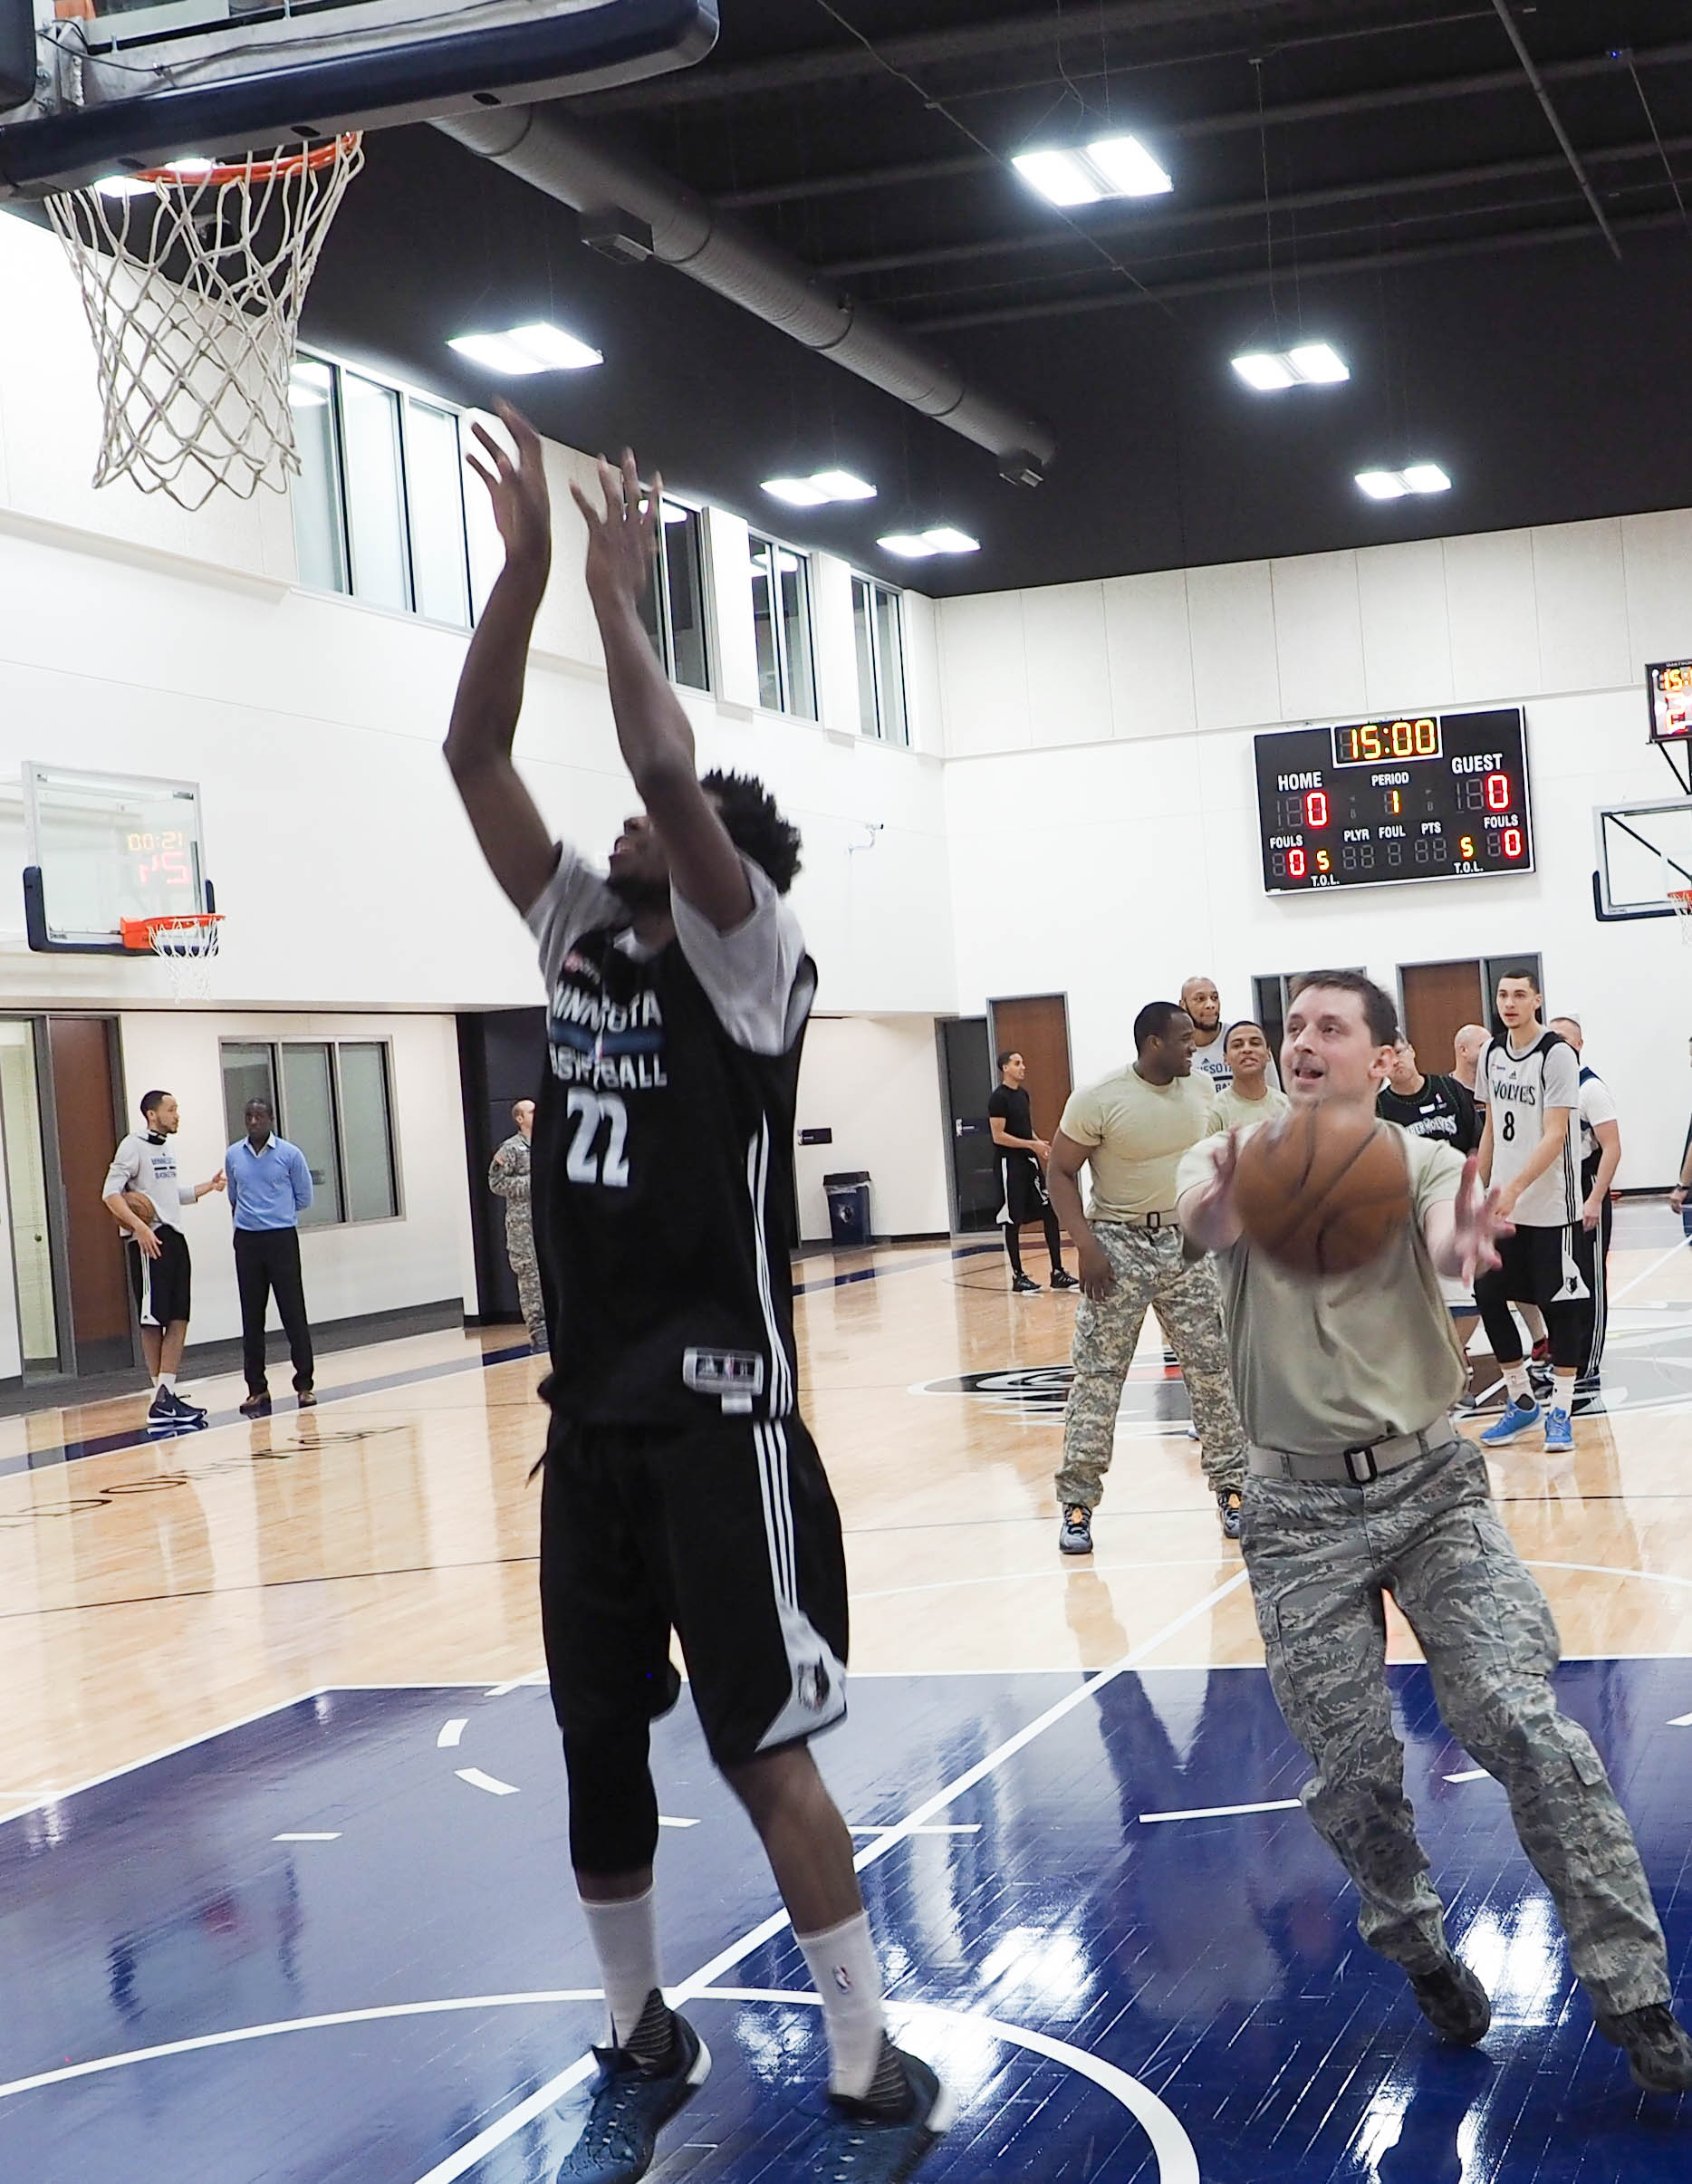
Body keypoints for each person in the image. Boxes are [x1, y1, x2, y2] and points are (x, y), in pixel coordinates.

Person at [443, 405, 947, 2184]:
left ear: (725, 858)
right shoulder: (580, 926)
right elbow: (472, 745)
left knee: (756, 1744)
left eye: (669, 820)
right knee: (600, 1744)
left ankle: (870, 2049)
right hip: (590, 1418)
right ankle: (629, 2018)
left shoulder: (755, 956)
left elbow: (664, 771)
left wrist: (617, 597)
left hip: (723, 1409)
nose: (630, 821)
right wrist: (515, 581)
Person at [1176, 968, 1692, 2095]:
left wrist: (1469, 1234)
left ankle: (1633, 1987)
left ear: (1380, 1058)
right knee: (1352, 1772)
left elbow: (1456, 1237)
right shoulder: (1225, 1153)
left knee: (1517, 1718)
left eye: (1329, 1027)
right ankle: (1416, 1947)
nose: (1303, 1041)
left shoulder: (1417, 1162)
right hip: (1295, 1512)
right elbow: (1200, 1219)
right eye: (1293, 1024)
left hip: (1428, 1487)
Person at [1044, 1000, 1248, 1550]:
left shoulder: (1203, 1092)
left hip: (1186, 1241)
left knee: (1214, 1371)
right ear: (1153, 1043)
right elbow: (1060, 1172)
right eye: (1185, 1038)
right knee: (1100, 1375)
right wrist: (1084, 1245)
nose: (1195, 1047)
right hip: (1117, 1241)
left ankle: (1234, 1491)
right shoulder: (1099, 1097)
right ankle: (1078, 1505)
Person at [1473, 970, 1587, 1454]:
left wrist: (1517, 1186)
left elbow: (1556, 1133)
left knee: (1560, 1306)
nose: (1510, 1002)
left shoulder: (1555, 1053)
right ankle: (1521, 1400)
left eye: (1520, 994)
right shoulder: (1492, 1053)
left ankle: (1560, 1407)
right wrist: (1479, 1187)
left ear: (1537, 999)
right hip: (1505, 1204)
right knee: (1487, 1290)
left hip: (1550, 1208)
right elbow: (1494, 1126)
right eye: (1503, 995)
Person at [101, 1091, 224, 1434]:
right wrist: (139, 1227)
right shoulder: (132, 1145)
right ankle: (162, 1397)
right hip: (149, 1241)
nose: (177, 1114)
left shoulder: (166, 1148)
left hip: (174, 1236)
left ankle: (164, 1395)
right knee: (153, 1320)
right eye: (171, 1109)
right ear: (151, 1114)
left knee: (179, 1316)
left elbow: (168, 1196)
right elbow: (109, 1194)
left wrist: (207, 1187)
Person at [1377, 1039, 1484, 1390]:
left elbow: (1475, 1140)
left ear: (1413, 1051)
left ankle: (1454, 1356)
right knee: (1421, 1295)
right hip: (1410, 1206)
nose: (1397, 1062)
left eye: (1401, 1051)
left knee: (1469, 1293)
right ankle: (1437, 1362)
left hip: (1458, 1196)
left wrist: (1473, 1184)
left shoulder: (1449, 1089)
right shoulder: (1379, 1106)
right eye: (1387, 1057)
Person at [225, 1096, 316, 1418]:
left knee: (293, 1311)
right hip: (247, 1241)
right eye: (248, 1116)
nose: (253, 1122)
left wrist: (277, 1212)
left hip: (281, 1238)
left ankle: (304, 1384)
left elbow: (304, 1196)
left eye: (259, 1116)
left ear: (271, 1119)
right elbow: (234, 1196)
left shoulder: (290, 1155)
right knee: (252, 1316)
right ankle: (256, 1388)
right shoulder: (234, 1154)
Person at [1549, 1016, 1620, 1394]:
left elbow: (1613, 1148)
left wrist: (1594, 1199)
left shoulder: (1590, 1089)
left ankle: (1587, 1363)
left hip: (1586, 1188)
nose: (1556, 1044)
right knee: (1560, 1280)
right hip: (1555, 1193)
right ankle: (1564, 1357)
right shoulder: (1550, 1086)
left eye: (1563, 1038)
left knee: (1590, 1281)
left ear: (1578, 1044)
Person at [987, 1051, 1076, 1294]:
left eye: (1023, 1062)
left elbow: (1025, 1127)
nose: (1023, 1067)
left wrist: (1038, 1143)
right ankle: (1018, 1276)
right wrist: (1030, 1145)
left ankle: (1057, 1272)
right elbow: (998, 1136)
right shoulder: (998, 1098)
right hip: (1010, 1163)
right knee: (1013, 1219)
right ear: (1005, 1068)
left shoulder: (1023, 1095)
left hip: (1028, 1162)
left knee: (1049, 1210)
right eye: (1017, 1063)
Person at [489, 1097, 549, 1348]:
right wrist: (532, 1183)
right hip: (523, 1228)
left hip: (547, 1223)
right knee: (531, 1281)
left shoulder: (547, 1144)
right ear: (520, 1119)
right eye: (532, 1112)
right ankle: (539, 1331)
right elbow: (496, 1183)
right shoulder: (511, 1149)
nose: (538, 1115)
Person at [1209, 1021, 1289, 1132]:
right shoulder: (1214, 1111)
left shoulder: (1287, 1106)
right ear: (1225, 1059)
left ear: (1268, 1054)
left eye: (1255, 1043)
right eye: (1237, 1045)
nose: (1247, 1050)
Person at [1451, 1023, 1488, 1092]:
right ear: (1463, 1050)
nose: (1490, 1051)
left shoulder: (1496, 1087)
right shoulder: (1446, 1091)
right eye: (1483, 1046)